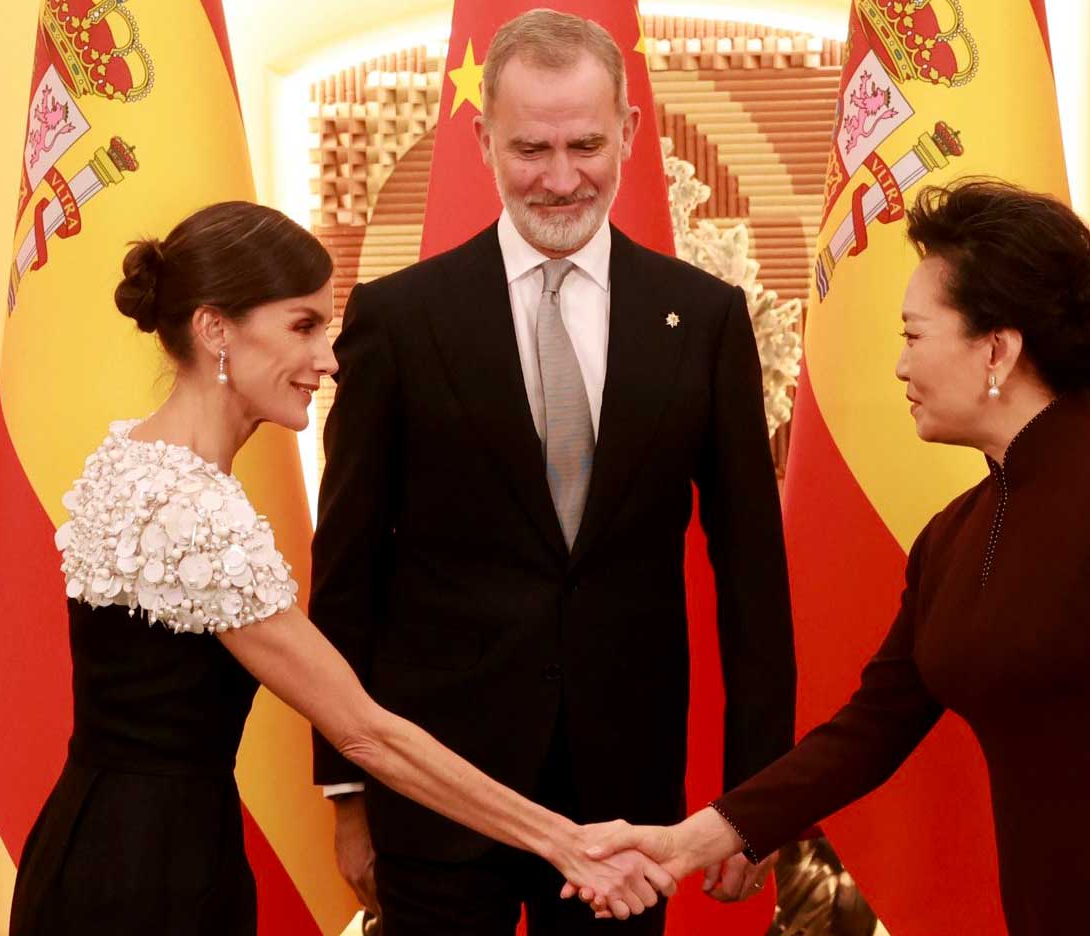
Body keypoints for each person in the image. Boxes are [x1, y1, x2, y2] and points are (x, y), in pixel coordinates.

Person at [583, 179, 1090, 936]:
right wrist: (689, 841)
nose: (901, 368)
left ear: (997, 348)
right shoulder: (954, 534)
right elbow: (869, 732)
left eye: (913, 335)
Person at [8, 201, 675, 936]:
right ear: (215, 329)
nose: (329, 358)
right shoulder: (195, 512)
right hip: (154, 877)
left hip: (84, 844)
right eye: (304, 326)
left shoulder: (127, 460)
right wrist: (565, 841)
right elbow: (366, 734)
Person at [310, 10, 796, 934]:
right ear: (482, 136)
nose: (562, 177)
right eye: (531, 146)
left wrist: (751, 800)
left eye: (586, 144)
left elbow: (752, 576)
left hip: (625, 807)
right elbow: (347, 570)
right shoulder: (398, 322)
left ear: (631, 134)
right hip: (439, 797)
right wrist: (346, 792)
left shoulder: (704, 320)